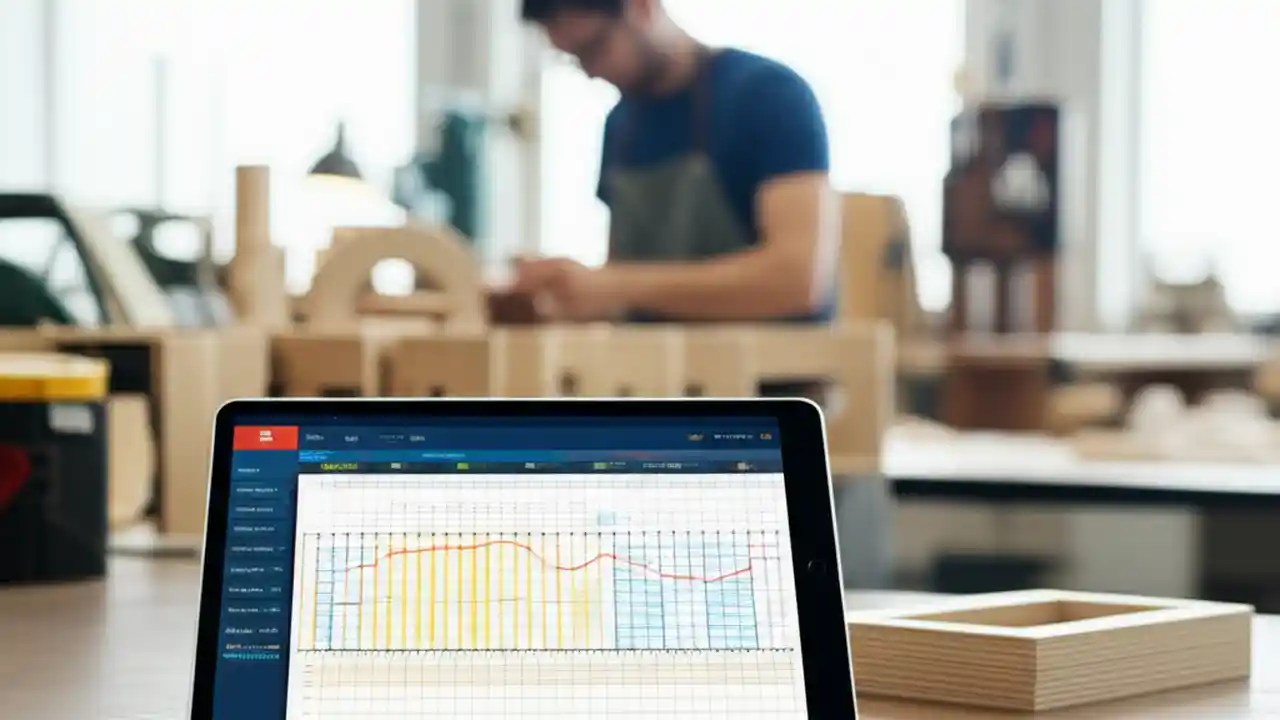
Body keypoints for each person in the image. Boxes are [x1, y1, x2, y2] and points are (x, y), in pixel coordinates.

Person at [518, 0, 839, 322]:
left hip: (773, 365)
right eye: (575, 60)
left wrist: (613, 285)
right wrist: (569, 293)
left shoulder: (768, 95)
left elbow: (797, 281)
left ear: (641, 8)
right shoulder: (622, 128)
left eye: (594, 48)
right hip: (663, 365)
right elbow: (621, 283)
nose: (591, 73)